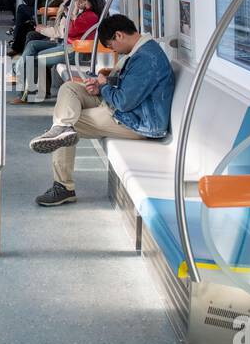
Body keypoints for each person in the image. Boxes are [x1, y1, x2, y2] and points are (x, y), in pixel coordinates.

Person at [28, 14, 174, 206]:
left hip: (139, 122)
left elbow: (123, 102)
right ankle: (62, 127)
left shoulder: (146, 59)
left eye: (111, 45)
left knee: (72, 124)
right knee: (70, 88)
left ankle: (63, 186)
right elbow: (129, 89)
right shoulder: (142, 50)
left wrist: (104, 86)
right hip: (128, 110)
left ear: (119, 35)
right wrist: (100, 87)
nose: (113, 50)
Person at [12, 0, 101, 104]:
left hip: (73, 50)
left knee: (33, 58)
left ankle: (25, 94)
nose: (82, 3)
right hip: (68, 45)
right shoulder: (86, 13)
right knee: (32, 44)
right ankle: (23, 74)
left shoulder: (90, 16)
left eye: (84, 0)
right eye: (81, 0)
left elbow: (68, 30)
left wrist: (70, 13)